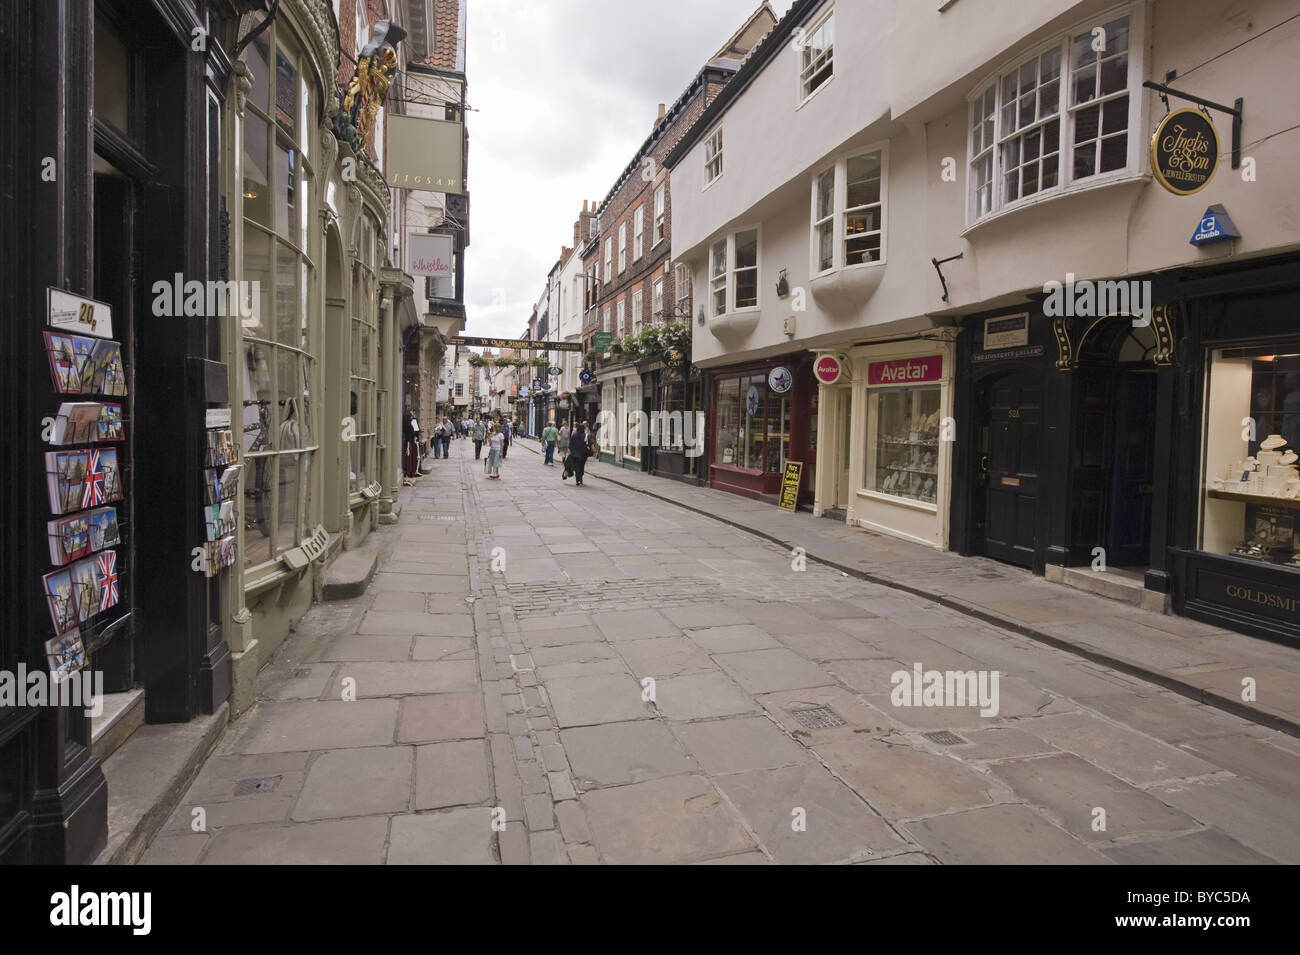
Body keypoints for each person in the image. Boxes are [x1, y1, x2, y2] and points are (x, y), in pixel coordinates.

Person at [568, 419, 592, 486]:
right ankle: (580, 478)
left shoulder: (573, 435)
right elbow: (590, 444)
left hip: (575, 454)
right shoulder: (587, 436)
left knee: (576, 466)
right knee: (582, 466)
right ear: (584, 429)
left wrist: (569, 453)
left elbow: (570, 445)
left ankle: (577, 480)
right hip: (584, 454)